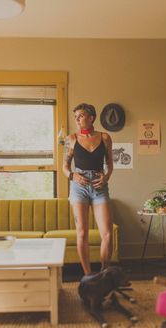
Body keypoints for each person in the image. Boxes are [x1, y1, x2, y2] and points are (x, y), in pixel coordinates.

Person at [63, 103, 113, 275]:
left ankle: (104, 274)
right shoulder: (71, 139)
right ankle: (88, 276)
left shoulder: (105, 137)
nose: (76, 119)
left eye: (81, 115)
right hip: (79, 187)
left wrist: (106, 177)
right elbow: (64, 166)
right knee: (82, 233)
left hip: (100, 187)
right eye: (75, 116)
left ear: (91, 118)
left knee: (107, 234)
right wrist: (72, 175)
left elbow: (110, 164)